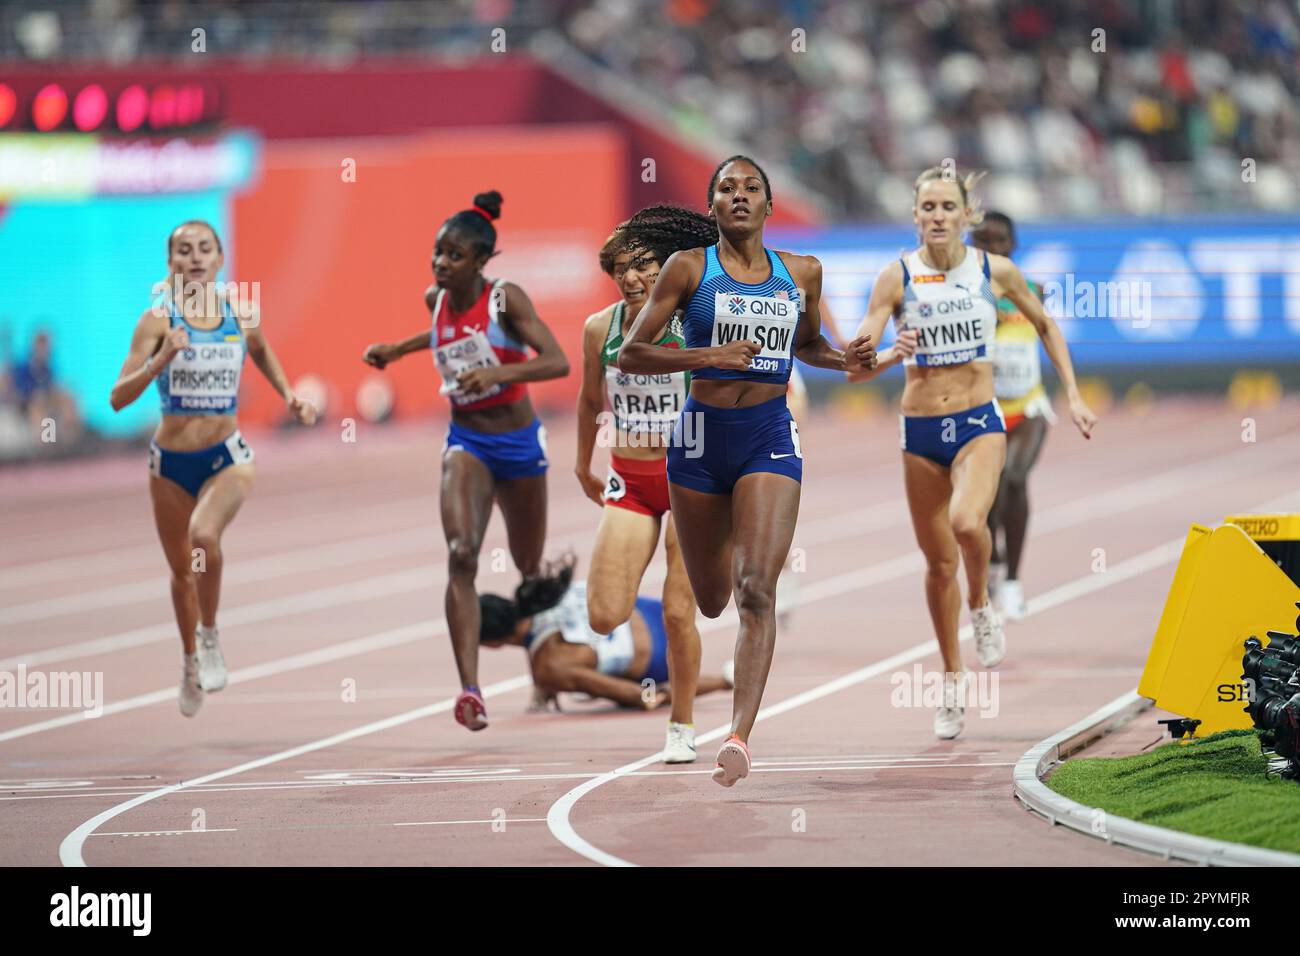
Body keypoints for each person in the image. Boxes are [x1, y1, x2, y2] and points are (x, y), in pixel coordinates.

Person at [619, 155, 876, 786]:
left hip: (767, 434)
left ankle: (737, 737)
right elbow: (631, 353)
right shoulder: (689, 268)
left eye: (751, 188)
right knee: (710, 600)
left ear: (768, 205)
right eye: (726, 189)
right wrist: (711, 354)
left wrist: (847, 360)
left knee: (756, 591)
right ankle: (737, 523)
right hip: (701, 436)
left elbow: (808, 345)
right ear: (711, 207)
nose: (739, 196)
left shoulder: (801, 272)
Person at [848, 167, 1095, 740]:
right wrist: (888, 355)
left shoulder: (994, 271)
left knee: (966, 521)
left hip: (980, 422)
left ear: (966, 215)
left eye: (947, 207)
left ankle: (981, 604)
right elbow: (856, 368)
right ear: (915, 216)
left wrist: (1075, 396)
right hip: (920, 430)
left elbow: (1046, 325)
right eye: (927, 207)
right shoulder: (895, 278)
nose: (936, 216)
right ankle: (953, 677)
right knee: (937, 566)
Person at [363, 191, 569, 732]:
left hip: (519, 443)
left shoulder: (507, 301)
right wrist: (396, 350)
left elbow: (557, 361)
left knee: (529, 567)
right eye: (437, 253)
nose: (440, 263)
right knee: (460, 554)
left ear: (480, 262)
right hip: (468, 442)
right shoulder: (435, 298)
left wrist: (497, 374)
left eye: (454, 256)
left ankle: (543, 674)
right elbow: (442, 334)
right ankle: (471, 691)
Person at [109, 220, 317, 717]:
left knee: (205, 535)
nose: (196, 257)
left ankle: (209, 634)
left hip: (227, 457)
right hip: (170, 463)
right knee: (182, 573)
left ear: (220, 258)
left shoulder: (239, 313)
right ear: (172, 264)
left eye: (205, 248)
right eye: (185, 250)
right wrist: (159, 360)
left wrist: (289, 396)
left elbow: (262, 350)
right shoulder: (156, 321)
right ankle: (188, 661)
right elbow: (118, 398)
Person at [576, 207, 704, 762]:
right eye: (621, 268)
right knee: (604, 613)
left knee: (681, 612)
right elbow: (586, 401)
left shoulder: (696, 319)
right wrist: (583, 465)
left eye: (643, 265)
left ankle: (682, 724)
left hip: (691, 476)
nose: (630, 278)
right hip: (629, 476)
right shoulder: (599, 328)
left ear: (668, 265)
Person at [480, 562, 733, 711]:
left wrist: (652, 697)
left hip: (656, 657)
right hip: (655, 611)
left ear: (491, 643)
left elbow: (629, 694)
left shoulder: (547, 667)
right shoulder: (539, 595)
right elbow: (539, 633)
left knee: (644, 695)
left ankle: (727, 680)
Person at [971, 212, 1056, 621]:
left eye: (1000, 241)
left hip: (1029, 405)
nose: (993, 249)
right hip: (983, 409)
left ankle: (1012, 581)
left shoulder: (1033, 289)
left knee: (1014, 477)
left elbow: (1049, 333)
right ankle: (994, 558)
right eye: (984, 242)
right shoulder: (963, 292)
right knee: (987, 497)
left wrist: (1073, 391)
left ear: (1013, 245)